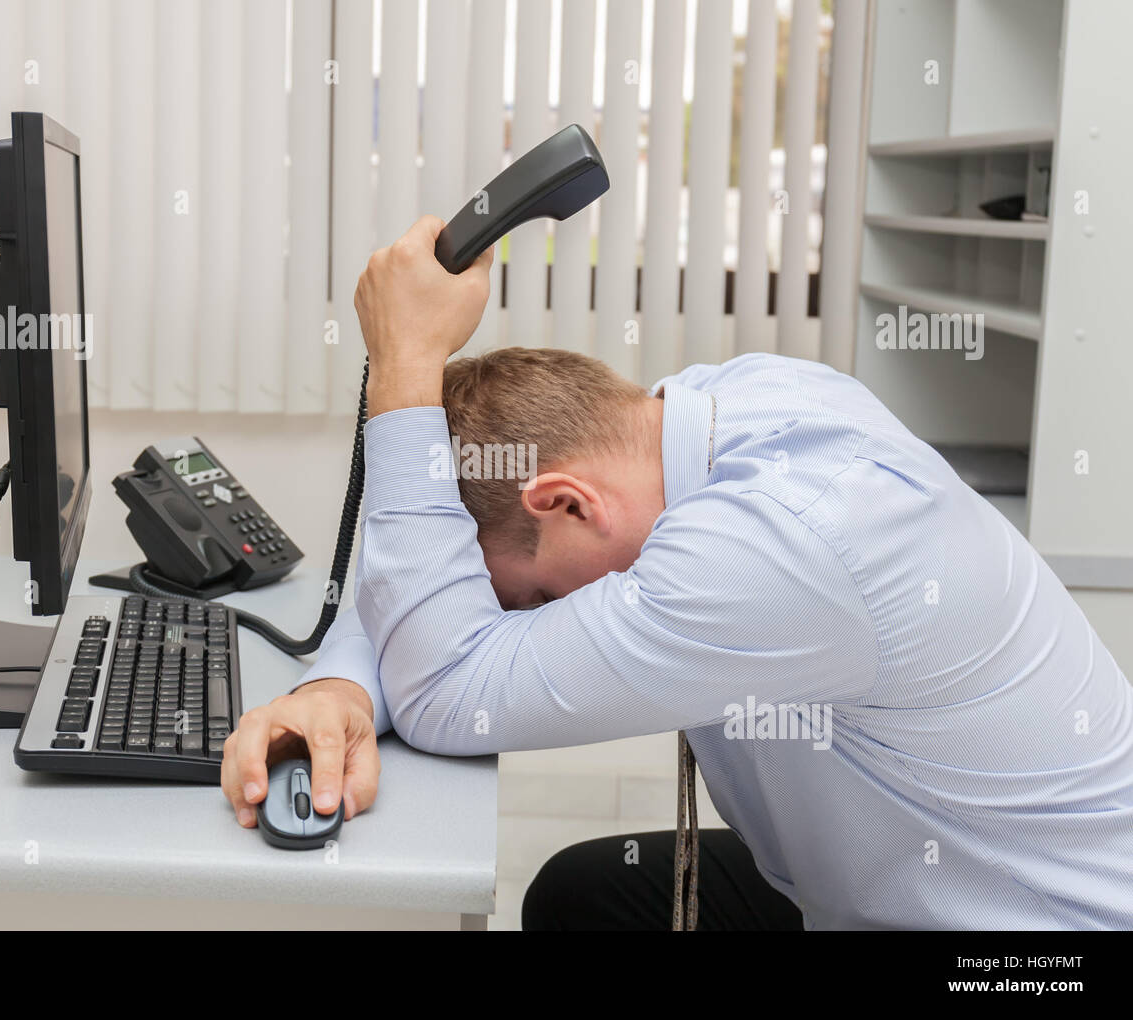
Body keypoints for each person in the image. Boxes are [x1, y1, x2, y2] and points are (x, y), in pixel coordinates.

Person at [221, 216, 1133, 930]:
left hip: (1037, 947)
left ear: (563, 502)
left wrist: (407, 366)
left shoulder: (778, 551)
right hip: (898, 884)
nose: (533, 620)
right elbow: (418, 581)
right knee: (584, 897)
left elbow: (454, 681)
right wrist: (340, 684)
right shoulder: (707, 411)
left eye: (530, 599)